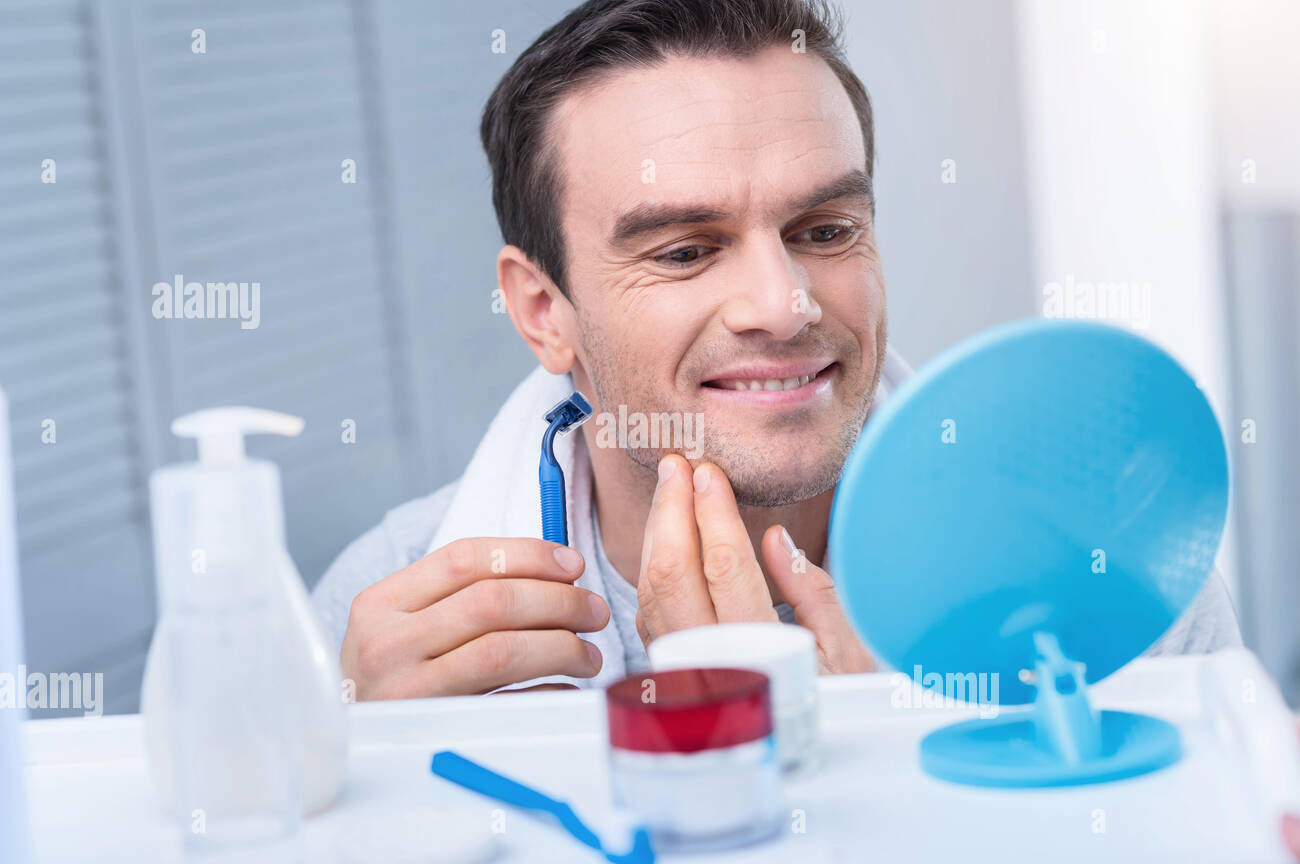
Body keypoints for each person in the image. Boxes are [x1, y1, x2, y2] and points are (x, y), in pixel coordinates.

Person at [311, 0, 1240, 701]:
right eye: (684, 250)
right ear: (542, 309)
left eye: (827, 230)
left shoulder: (1106, 578)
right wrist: (376, 787)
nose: (783, 305)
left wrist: (903, 761)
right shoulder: (390, 621)